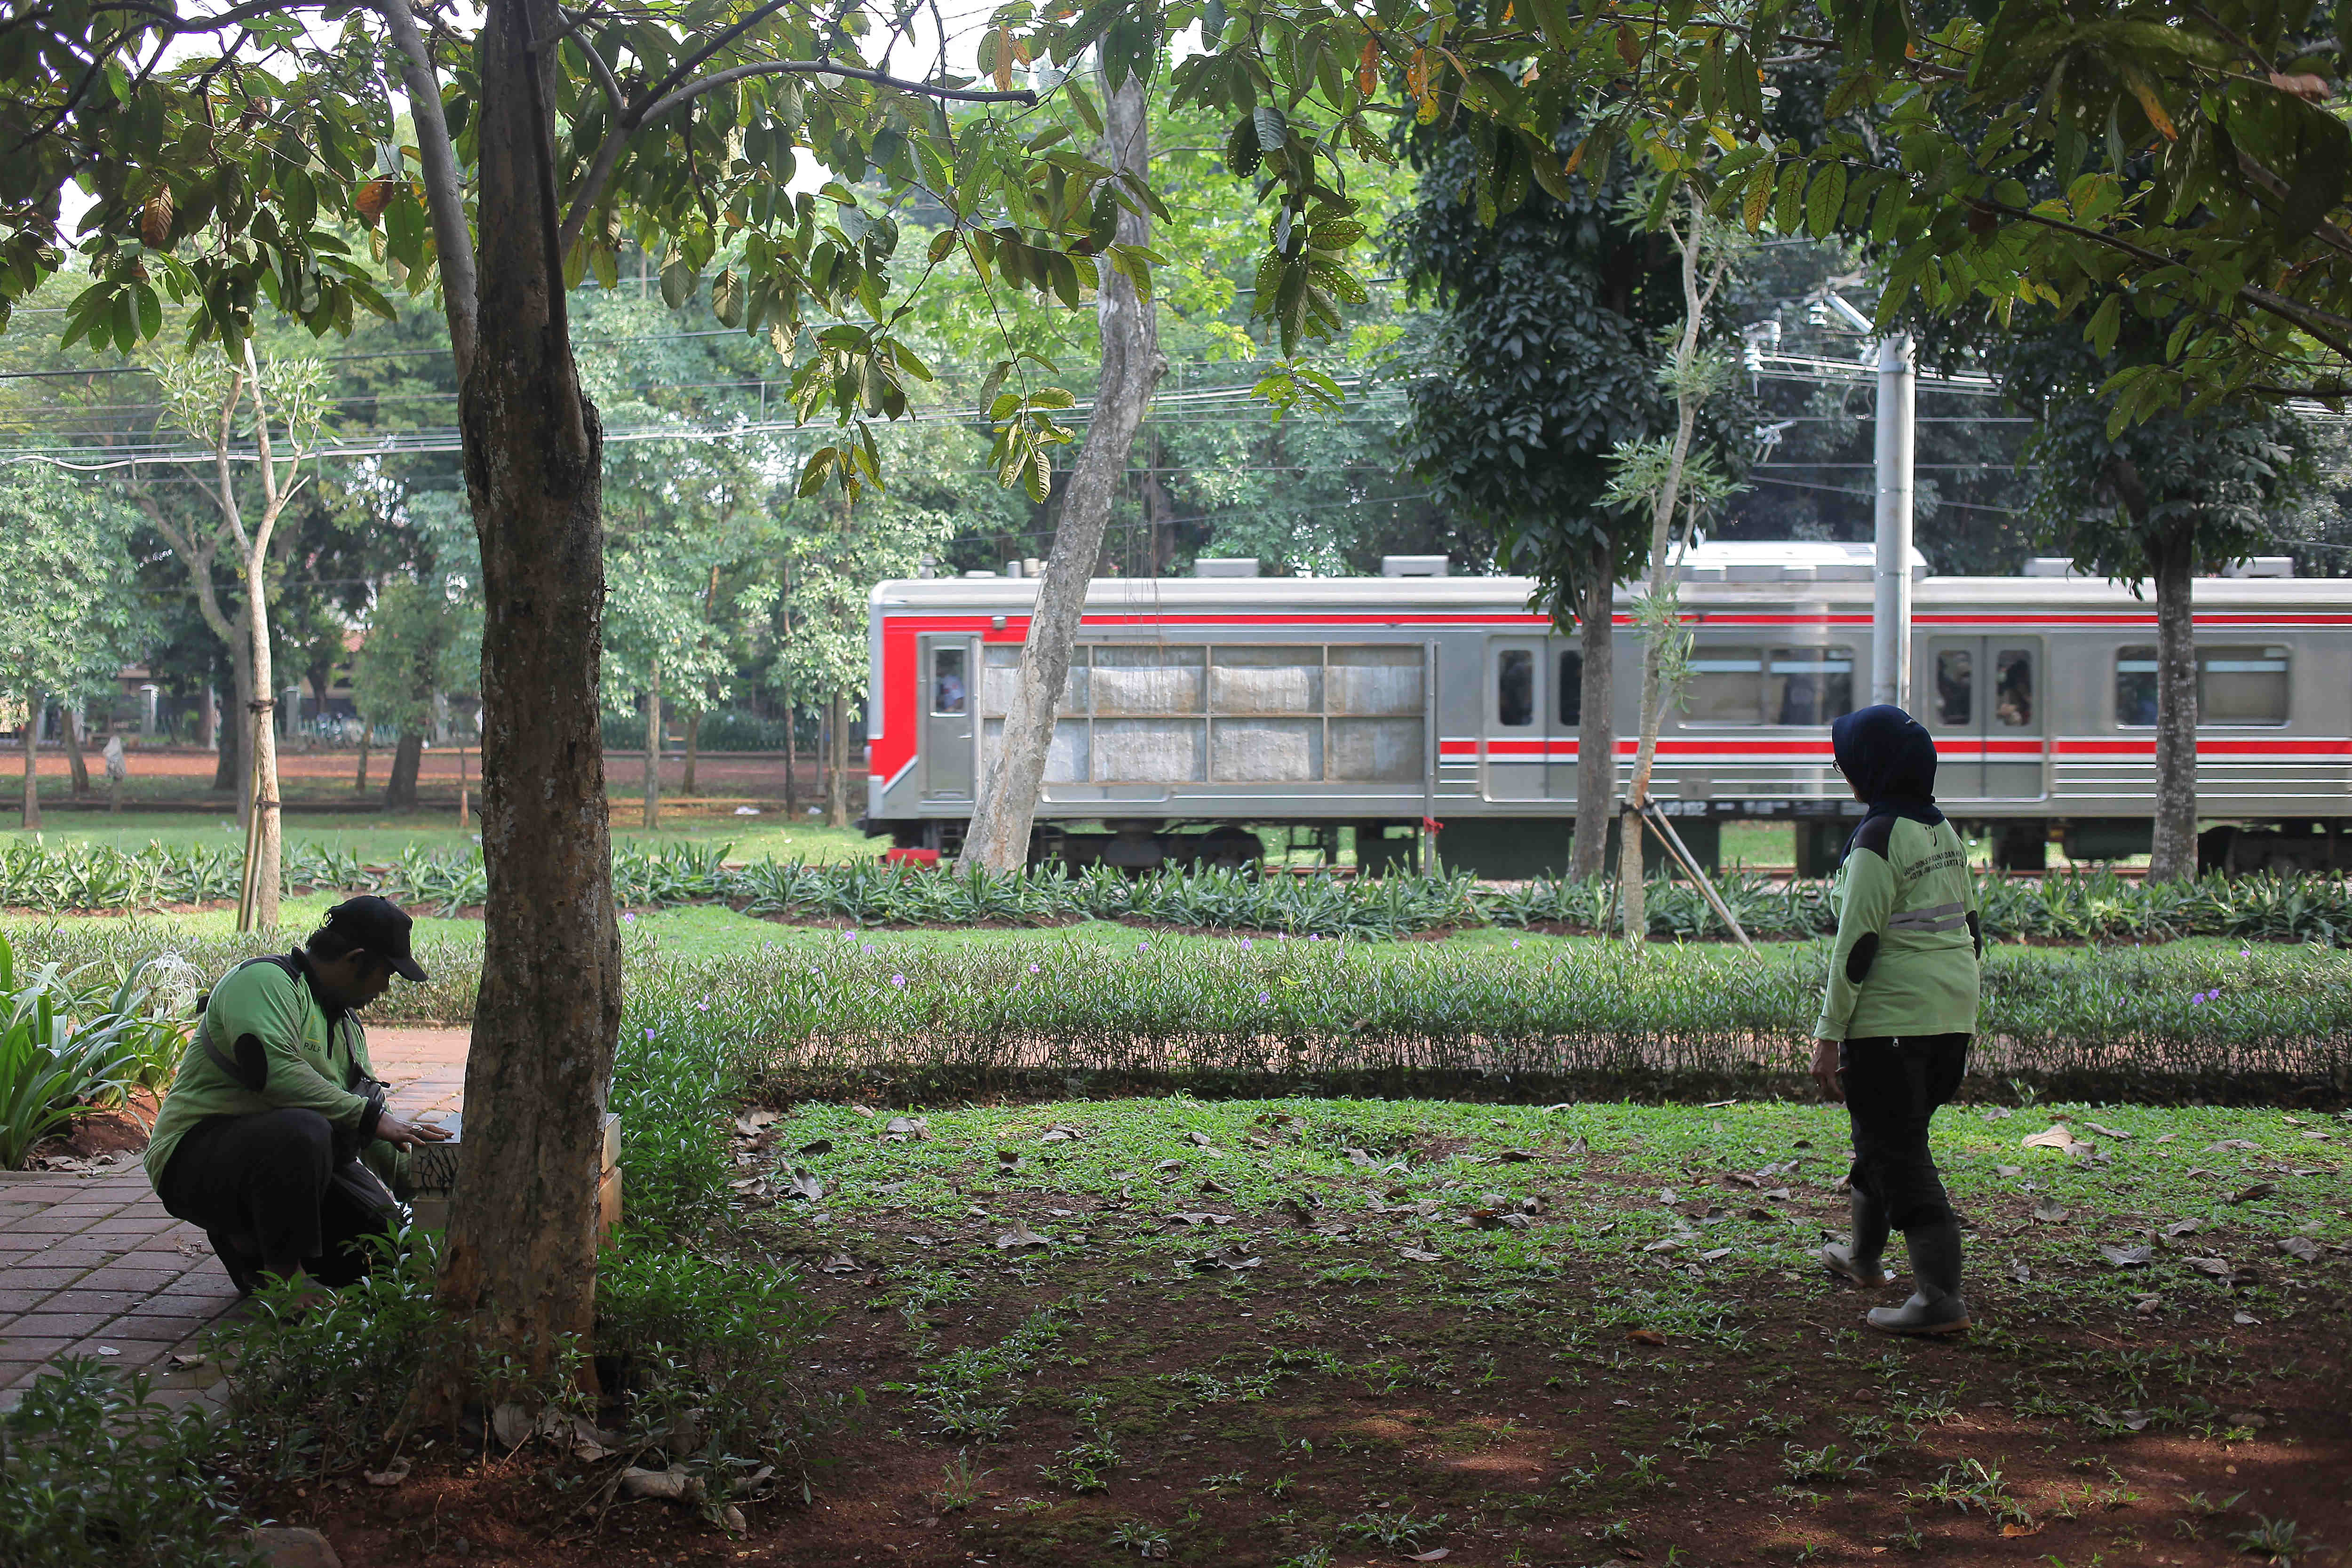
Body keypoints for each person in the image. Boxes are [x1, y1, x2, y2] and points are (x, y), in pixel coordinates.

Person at [144, 895, 452, 1294]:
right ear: (356, 959)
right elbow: (274, 1073)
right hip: (194, 1159)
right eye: (387, 974)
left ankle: (250, 1247)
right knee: (303, 1129)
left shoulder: (347, 1029)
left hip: (302, 1161)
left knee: (392, 1255)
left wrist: (436, 1180)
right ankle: (285, 1278)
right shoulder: (263, 982)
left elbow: (371, 1123)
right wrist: (373, 1119)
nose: (386, 988)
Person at [1808, 704, 1983, 1337]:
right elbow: (1971, 928)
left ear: (1870, 769)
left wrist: (1828, 1038)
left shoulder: (1876, 839)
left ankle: (1941, 1299)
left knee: (1899, 1152)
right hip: (1949, 1018)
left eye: (1846, 761)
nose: (1841, 769)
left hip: (1891, 1025)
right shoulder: (1942, 831)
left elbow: (1855, 949)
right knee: (1884, 1137)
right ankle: (1862, 1258)